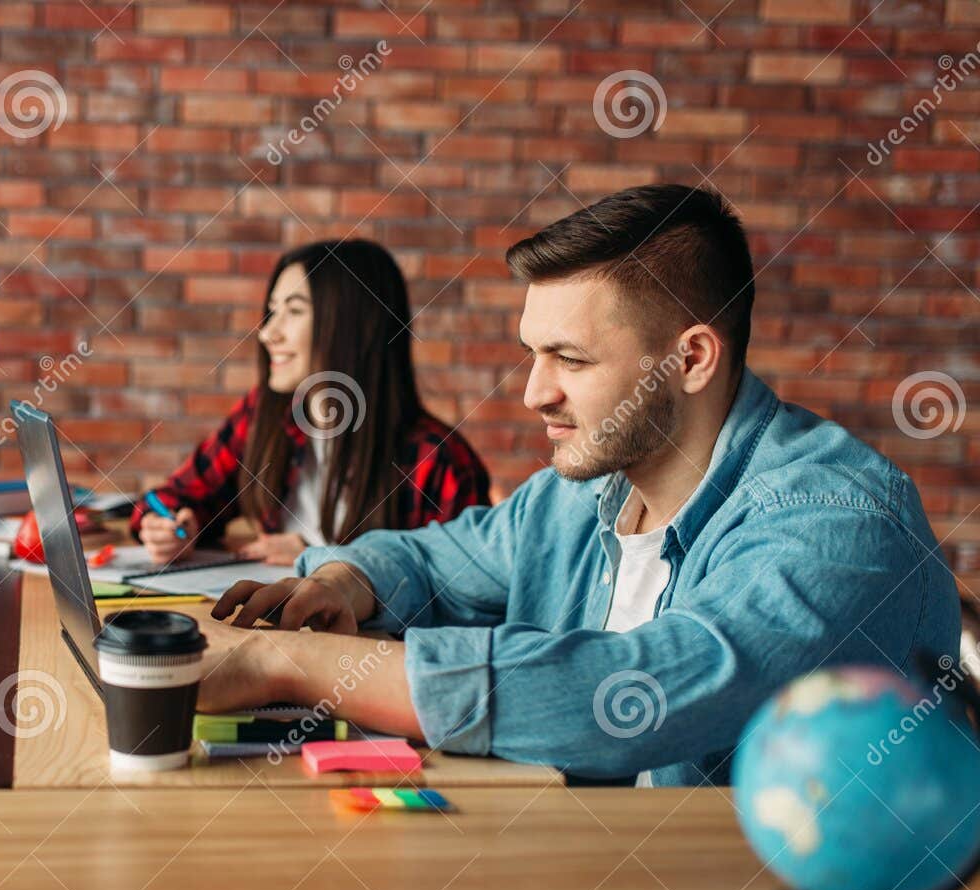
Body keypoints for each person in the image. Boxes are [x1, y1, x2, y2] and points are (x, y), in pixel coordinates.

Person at [195, 184, 960, 787]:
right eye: (533, 354)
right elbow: (431, 559)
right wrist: (339, 580)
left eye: (572, 360)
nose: (534, 393)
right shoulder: (580, 493)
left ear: (691, 359)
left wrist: (285, 662)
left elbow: (628, 692)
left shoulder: (837, 519)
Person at [132, 238, 490, 566]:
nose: (269, 333)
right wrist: (169, 524)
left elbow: (465, 591)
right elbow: (173, 496)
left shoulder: (440, 460)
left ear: (354, 325)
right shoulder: (264, 414)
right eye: (273, 311)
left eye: (296, 311)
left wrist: (323, 558)